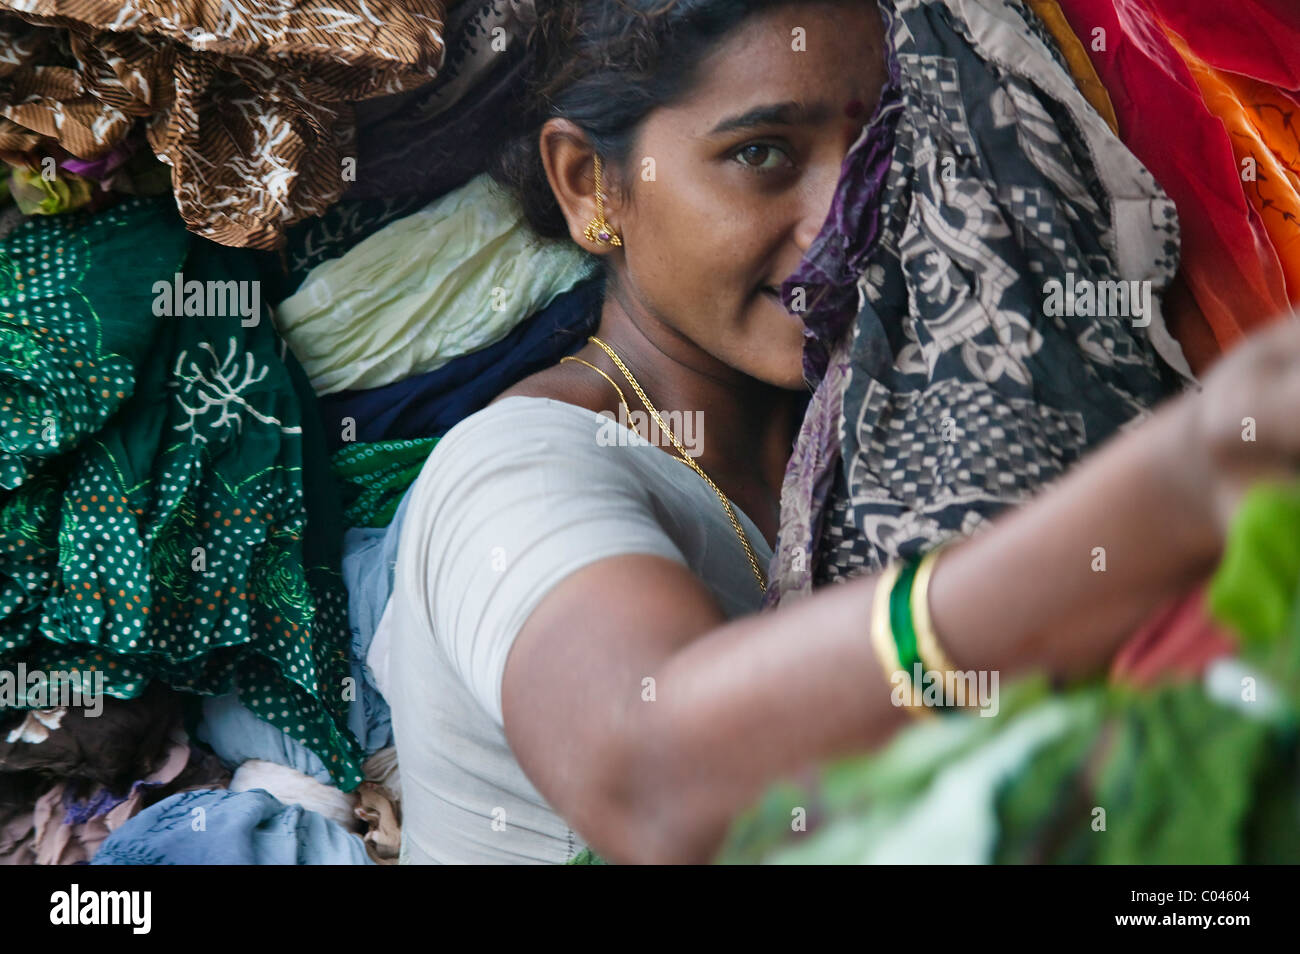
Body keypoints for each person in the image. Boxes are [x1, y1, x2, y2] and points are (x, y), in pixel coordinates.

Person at [381, 0, 1300, 864]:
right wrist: (1177, 486)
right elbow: (651, 775)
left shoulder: (877, 426)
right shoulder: (512, 471)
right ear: (591, 187)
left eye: (875, 148)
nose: (839, 224)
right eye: (762, 154)